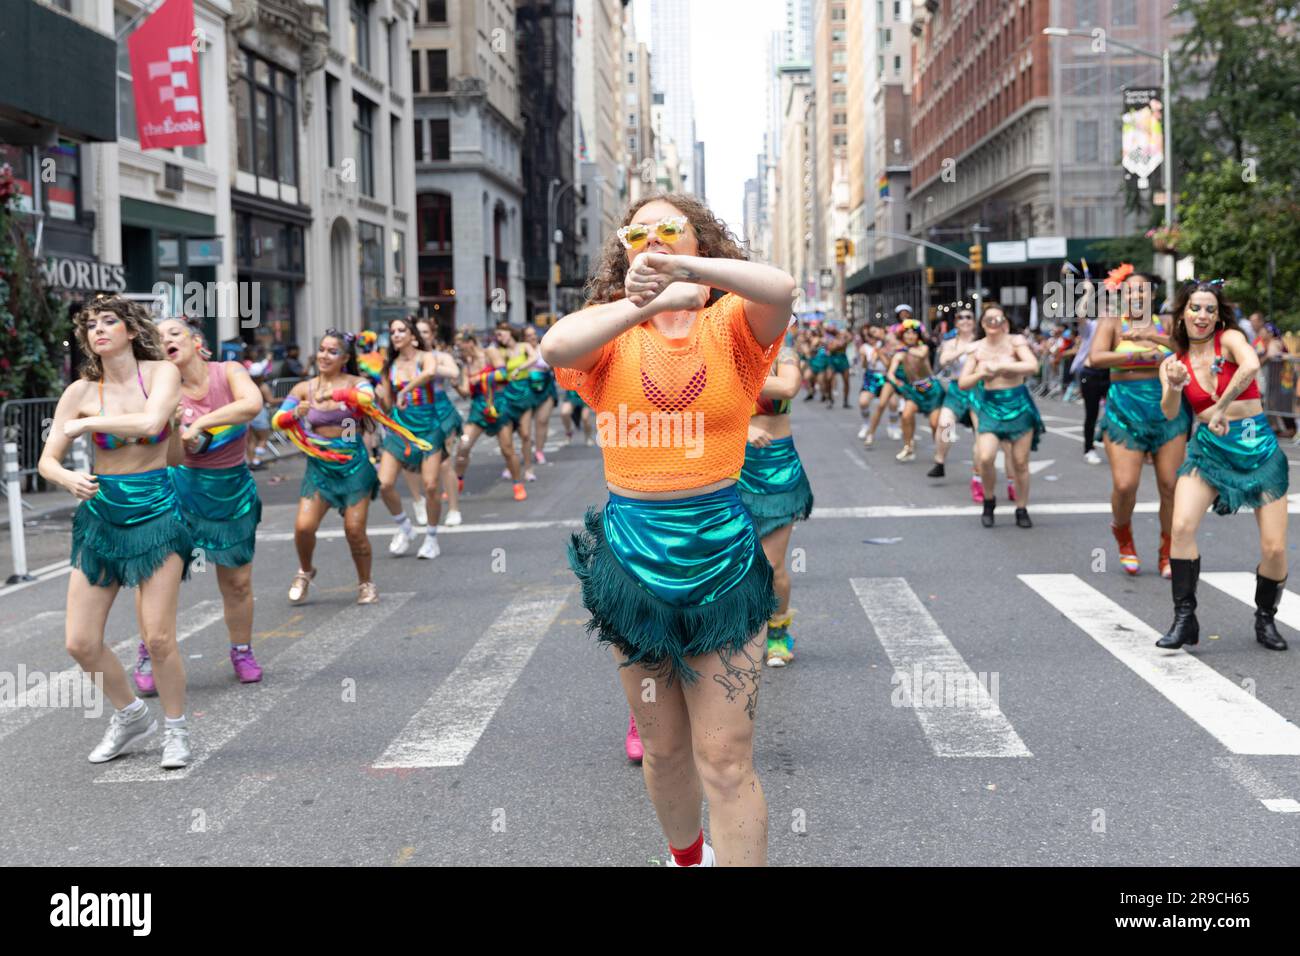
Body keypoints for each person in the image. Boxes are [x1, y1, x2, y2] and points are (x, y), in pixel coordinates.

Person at [544, 192, 793, 867]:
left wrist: (698, 281)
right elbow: (552, 345)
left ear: (700, 243)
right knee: (663, 748)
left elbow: (781, 286)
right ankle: (688, 859)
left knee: (728, 758)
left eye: (670, 230)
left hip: (724, 562)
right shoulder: (611, 332)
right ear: (623, 251)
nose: (653, 240)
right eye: (638, 233)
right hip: (634, 567)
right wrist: (645, 303)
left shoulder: (736, 328)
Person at [38, 296, 194, 768]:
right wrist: (66, 478)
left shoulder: (159, 373)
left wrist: (86, 423)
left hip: (157, 514)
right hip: (102, 515)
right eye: (90, 325)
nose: (98, 329)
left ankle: (176, 730)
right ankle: (130, 716)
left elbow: (149, 422)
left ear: (129, 330)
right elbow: (48, 460)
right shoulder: (81, 390)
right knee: (80, 642)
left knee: (159, 637)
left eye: (109, 321)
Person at [131, 317, 266, 694]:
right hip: (177, 490)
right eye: (158, 339)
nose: (166, 340)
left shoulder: (228, 372)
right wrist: (177, 433)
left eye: (173, 333)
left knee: (237, 583)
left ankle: (242, 650)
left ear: (195, 341)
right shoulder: (158, 392)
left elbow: (251, 404)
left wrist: (201, 422)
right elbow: (156, 447)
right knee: (157, 580)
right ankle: (149, 650)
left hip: (231, 490)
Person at [1156, 281, 1288, 651]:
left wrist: (1220, 407)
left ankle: (1265, 618)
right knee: (1181, 525)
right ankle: (1185, 619)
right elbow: (1168, 412)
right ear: (1183, 313)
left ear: (1218, 316)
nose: (1202, 316)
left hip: (1258, 448)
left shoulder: (1229, 339)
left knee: (1275, 548)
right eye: (1195, 308)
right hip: (1210, 452)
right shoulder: (1173, 363)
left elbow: (1249, 366)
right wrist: (1175, 386)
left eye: (1210, 309)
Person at [273, 331, 430, 604]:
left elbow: (367, 400)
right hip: (320, 467)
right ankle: (306, 570)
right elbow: (277, 420)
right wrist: (293, 414)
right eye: (322, 349)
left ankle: (366, 582)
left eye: (332, 351)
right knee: (303, 527)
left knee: (354, 530)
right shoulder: (303, 389)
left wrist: (338, 393)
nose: (324, 355)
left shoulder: (358, 383)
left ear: (345, 358)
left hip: (354, 467)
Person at [1088, 265, 1189, 577]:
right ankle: (1123, 536)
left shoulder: (1168, 322)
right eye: (1130, 290)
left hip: (1166, 408)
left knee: (1171, 486)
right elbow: (1096, 358)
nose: (1136, 295)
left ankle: (1167, 550)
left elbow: (1183, 351)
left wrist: (1151, 337)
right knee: (1125, 484)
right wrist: (1135, 358)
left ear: (1152, 294)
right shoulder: (1112, 322)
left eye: (1142, 290)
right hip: (1125, 409)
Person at [737, 341, 813, 666]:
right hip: (730, 465)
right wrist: (740, 429)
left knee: (772, 564)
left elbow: (789, 387)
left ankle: (778, 630)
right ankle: (737, 629)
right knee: (733, 561)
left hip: (778, 467)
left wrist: (726, 378)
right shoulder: (720, 344)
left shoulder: (783, 351)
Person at [375, 316, 460, 560]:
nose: (396, 335)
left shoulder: (426, 357)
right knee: (384, 483)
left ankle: (431, 538)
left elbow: (431, 373)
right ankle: (405, 527)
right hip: (400, 427)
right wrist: (380, 397)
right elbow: (390, 404)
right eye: (393, 331)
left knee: (432, 486)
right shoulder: (388, 366)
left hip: (428, 426)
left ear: (413, 335)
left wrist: (404, 389)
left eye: (402, 330)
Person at [959, 304, 1044, 528]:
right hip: (990, 406)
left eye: (998, 319)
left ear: (1005, 322)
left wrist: (1007, 366)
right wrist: (981, 372)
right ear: (983, 325)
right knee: (985, 456)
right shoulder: (976, 349)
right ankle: (989, 500)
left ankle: (1021, 508)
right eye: (989, 320)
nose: (994, 323)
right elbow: (963, 383)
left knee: (1020, 462)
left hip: (1018, 404)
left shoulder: (1016, 342)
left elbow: (1033, 366)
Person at [454, 331, 528, 501]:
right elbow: (465, 392)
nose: (459, 350)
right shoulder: (467, 367)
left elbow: (503, 374)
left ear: (471, 342)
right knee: (463, 445)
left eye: (461, 345)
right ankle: (457, 481)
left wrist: (480, 378)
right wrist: (456, 386)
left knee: (507, 448)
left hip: (498, 403)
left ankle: (517, 484)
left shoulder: (490, 353)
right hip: (478, 408)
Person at [885, 318, 946, 464]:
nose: (910, 336)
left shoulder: (922, 348)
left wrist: (902, 349)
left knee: (934, 423)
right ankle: (908, 447)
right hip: (914, 390)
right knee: (906, 415)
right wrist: (895, 380)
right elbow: (890, 373)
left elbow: (920, 355)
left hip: (931, 389)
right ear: (902, 336)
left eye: (913, 333)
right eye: (907, 333)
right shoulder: (899, 354)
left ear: (918, 335)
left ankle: (941, 449)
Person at [930, 308, 979, 480]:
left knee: (980, 432)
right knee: (944, 425)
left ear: (974, 321)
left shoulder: (983, 340)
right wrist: (964, 349)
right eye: (961, 318)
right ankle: (940, 460)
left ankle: (979, 473)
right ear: (956, 322)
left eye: (969, 317)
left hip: (978, 389)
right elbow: (944, 361)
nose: (965, 320)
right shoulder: (951, 343)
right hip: (957, 389)